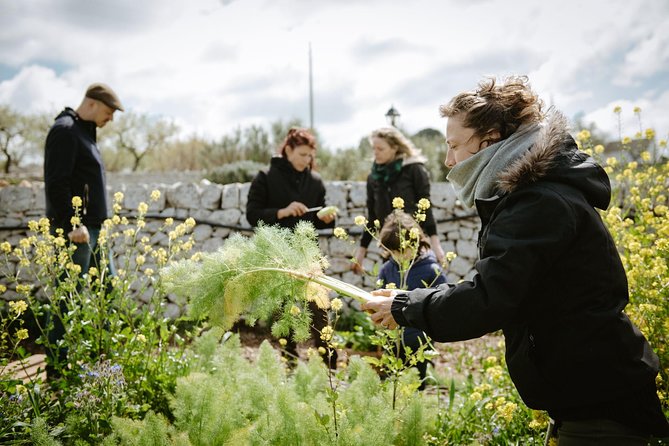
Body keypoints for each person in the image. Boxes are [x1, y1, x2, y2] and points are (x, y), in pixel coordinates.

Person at [362, 76, 669, 443]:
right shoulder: (533, 195)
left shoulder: (538, 202)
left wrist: (405, 306)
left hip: (600, 404)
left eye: (454, 146)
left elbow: (489, 297)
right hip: (589, 395)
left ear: (489, 140)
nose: (448, 160)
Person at [43, 82, 124, 378]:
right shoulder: (65, 131)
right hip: (78, 231)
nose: (111, 119)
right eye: (109, 111)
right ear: (91, 104)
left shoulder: (84, 133)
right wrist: (71, 224)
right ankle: (56, 367)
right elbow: (56, 182)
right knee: (69, 296)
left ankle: (101, 362)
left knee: (109, 290)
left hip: (95, 229)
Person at [246, 127, 337, 367]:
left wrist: (327, 218)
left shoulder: (315, 181)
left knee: (319, 308)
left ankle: (329, 365)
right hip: (276, 254)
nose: (307, 160)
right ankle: (290, 363)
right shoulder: (265, 177)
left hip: (308, 253)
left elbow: (318, 213)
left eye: (310, 156)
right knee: (283, 311)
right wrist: (282, 211)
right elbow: (252, 215)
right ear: (288, 150)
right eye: (302, 155)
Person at [352, 127, 444, 274]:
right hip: (390, 248)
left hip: (414, 247)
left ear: (395, 148)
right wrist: (360, 253)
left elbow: (426, 207)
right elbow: (372, 218)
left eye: (380, 148)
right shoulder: (374, 177)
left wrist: (436, 245)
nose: (375, 153)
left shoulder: (414, 169)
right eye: (373, 148)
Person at [376, 211, 446, 389]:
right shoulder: (386, 269)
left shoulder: (431, 269)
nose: (398, 256)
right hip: (392, 337)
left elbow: (442, 298)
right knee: (393, 382)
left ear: (415, 242)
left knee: (416, 382)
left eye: (402, 250)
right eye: (392, 252)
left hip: (420, 339)